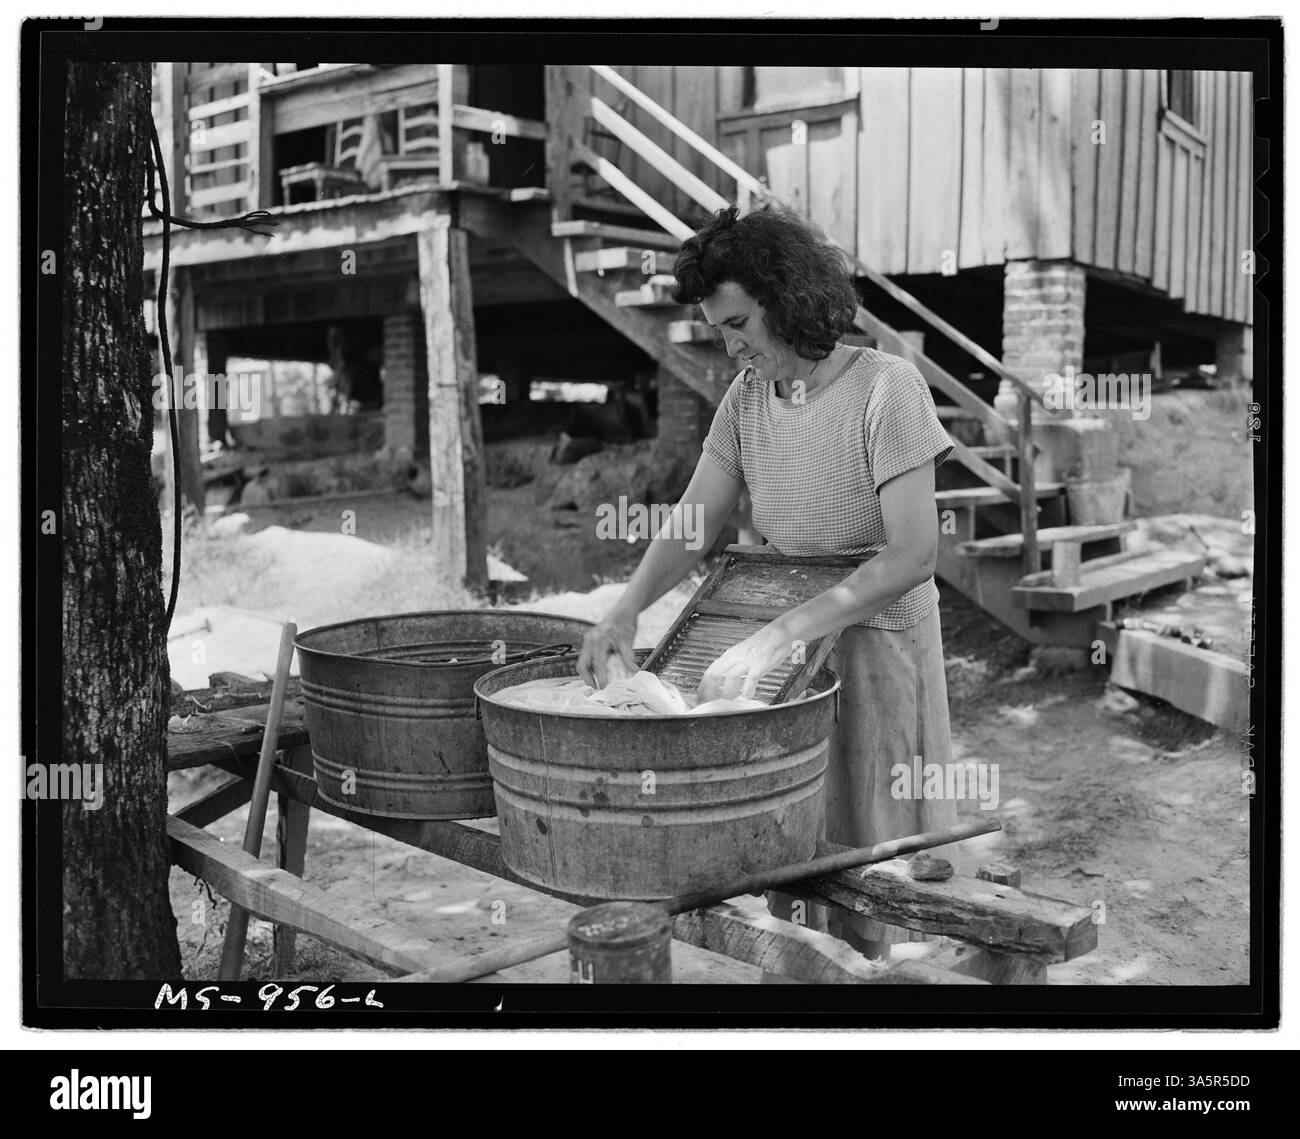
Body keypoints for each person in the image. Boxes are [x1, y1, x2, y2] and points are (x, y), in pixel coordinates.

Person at [577, 204, 959, 967]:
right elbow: (696, 522)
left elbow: (913, 555)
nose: (730, 345)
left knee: (881, 862)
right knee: (798, 854)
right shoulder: (748, 402)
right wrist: (624, 610)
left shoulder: (889, 389)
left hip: (880, 654)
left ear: (788, 297)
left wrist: (783, 630)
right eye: (720, 328)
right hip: (788, 666)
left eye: (740, 321)